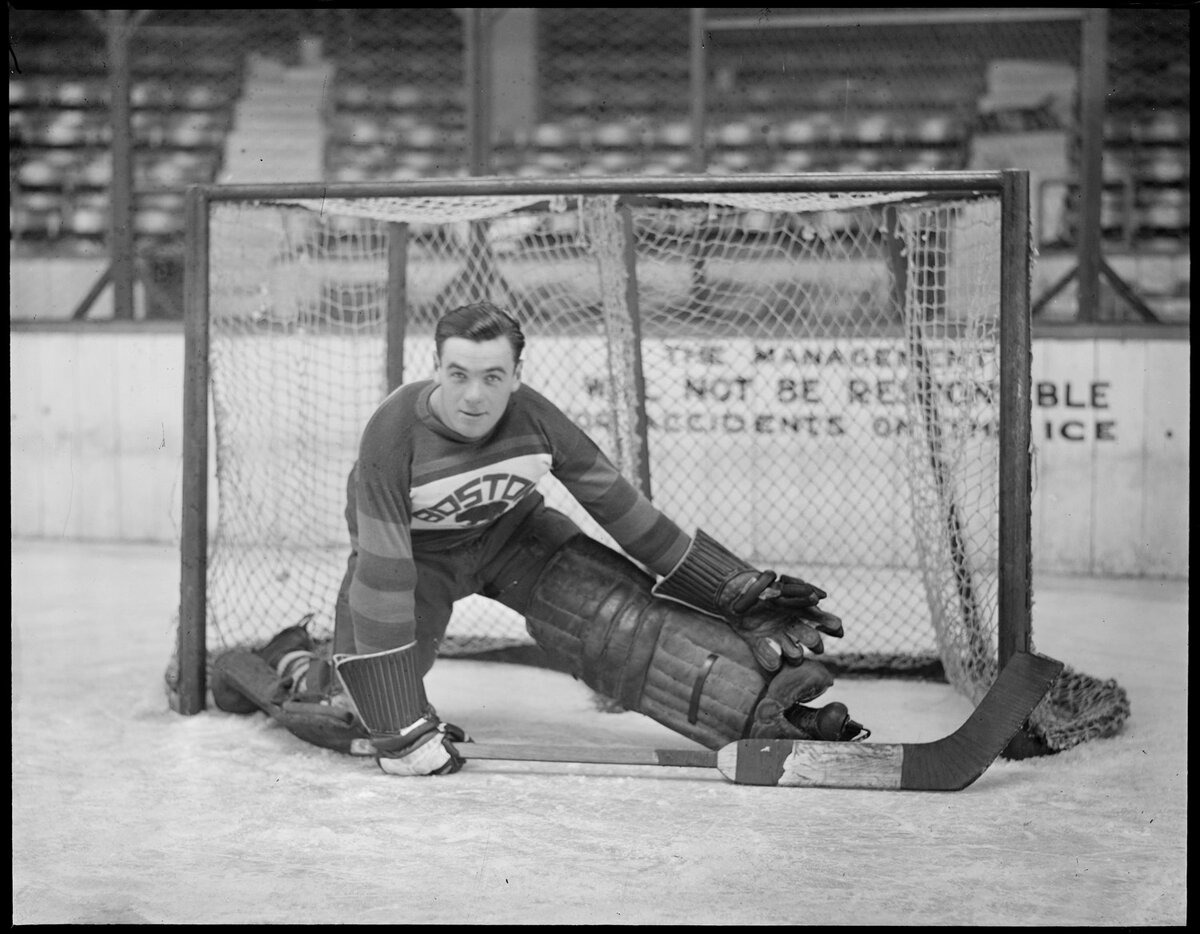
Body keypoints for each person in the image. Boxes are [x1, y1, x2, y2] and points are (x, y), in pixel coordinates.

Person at [238, 301, 863, 776]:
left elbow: (620, 508)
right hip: (415, 563)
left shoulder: (536, 418)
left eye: (492, 376)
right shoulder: (392, 433)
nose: (474, 396)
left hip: (516, 541)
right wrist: (396, 727)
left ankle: (765, 711)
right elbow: (381, 572)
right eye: (457, 375)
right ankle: (288, 661)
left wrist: (728, 588)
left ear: (515, 374)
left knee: (620, 625)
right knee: (352, 710)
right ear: (436, 368)